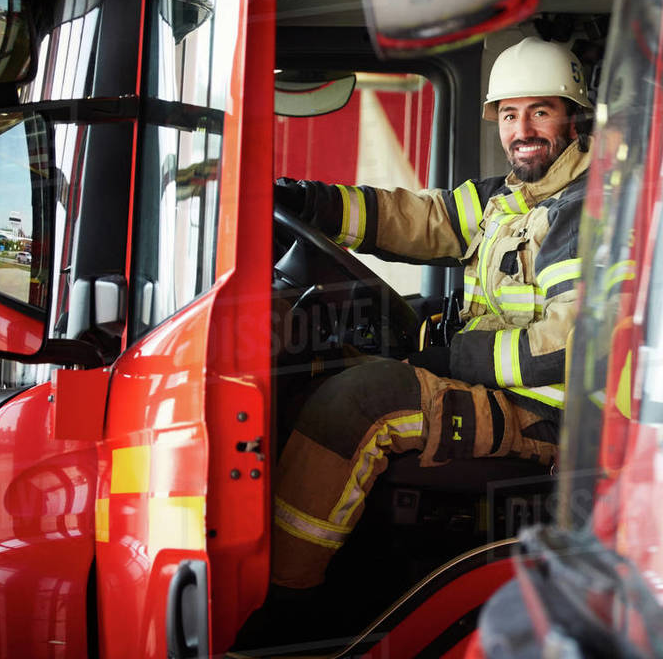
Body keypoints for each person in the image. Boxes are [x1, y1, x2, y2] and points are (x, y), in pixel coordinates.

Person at [236, 37, 592, 652]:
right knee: (324, 379)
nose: (522, 130)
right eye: (509, 114)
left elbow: (563, 347)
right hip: (505, 392)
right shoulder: (506, 200)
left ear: (573, 116)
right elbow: (416, 217)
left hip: (556, 419)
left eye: (540, 111)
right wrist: (308, 200)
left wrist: (448, 360)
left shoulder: (590, 209)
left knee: (360, 401)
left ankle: (284, 616)